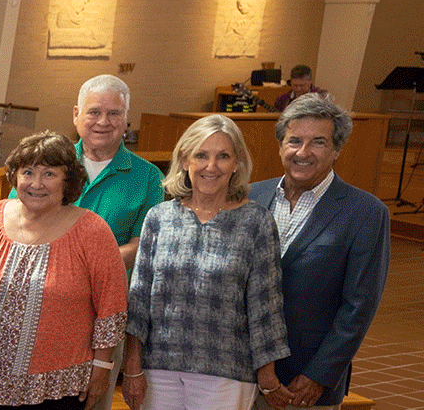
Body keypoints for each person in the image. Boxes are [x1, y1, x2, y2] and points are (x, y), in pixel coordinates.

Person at [123, 114, 287, 410]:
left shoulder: (256, 222)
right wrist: (132, 367)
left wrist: (267, 374)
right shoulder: (159, 218)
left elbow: (266, 305)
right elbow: (139, 301)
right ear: (185, 160)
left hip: (227, 371)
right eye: (201, 155)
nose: (211, 167)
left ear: (237, 163)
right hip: (159, 368)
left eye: (223, 156)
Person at [0, 131, 127, 409]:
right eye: (28, 172)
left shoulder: (92, 230)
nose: (36, 184)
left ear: (68, 180)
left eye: (49, 174)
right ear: (15, 177)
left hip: (59, 384)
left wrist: (101, 368)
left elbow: (112, 307)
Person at [249, 96, 390, 410]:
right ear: (280, 145)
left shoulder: (366, 213)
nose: (303, 152)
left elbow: (360, 306)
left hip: (305, 383)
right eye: (294, 140)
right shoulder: (249, 196)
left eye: (318, 142)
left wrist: (319, 375)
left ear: (337, 150)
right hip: (241, 374)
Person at [59, 75, 164, 269]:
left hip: (109, 290)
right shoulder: (50, 163)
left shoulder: (150, 177)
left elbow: (141, 245)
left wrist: (80, 266)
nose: (103, 121)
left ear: (126, 118)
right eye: (94, 112)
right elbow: (18, 219)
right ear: (76, 114)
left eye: (114, 113)